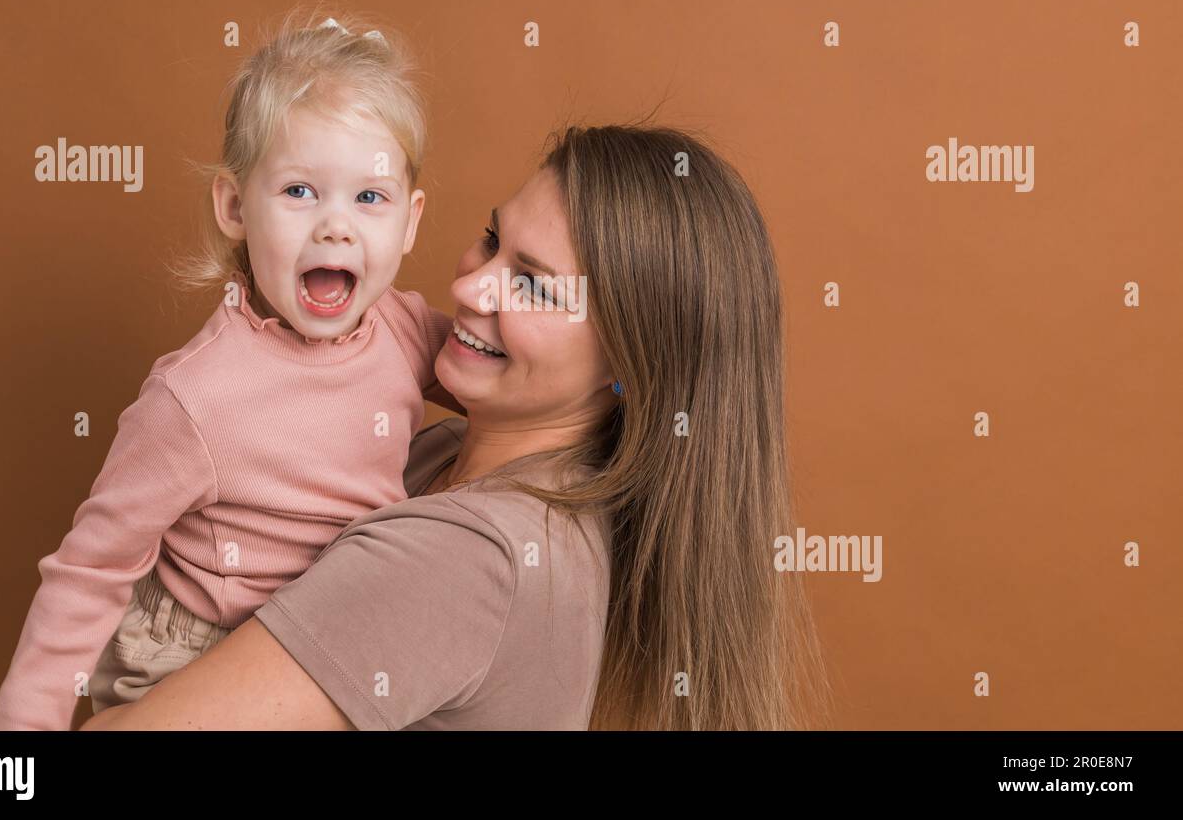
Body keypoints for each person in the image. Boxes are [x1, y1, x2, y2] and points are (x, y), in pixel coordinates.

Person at [84, 122, 830, 730]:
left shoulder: (470, 558)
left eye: (533, 285)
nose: (470, 286)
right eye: (490, 239)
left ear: (631, 368)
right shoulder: (479, 464)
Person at [0, 7, 459, 730]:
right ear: (235, 205)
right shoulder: (198, 396)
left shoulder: (401, 331)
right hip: (191, 653)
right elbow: (91, 569)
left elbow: (505, 371)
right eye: (300, 191)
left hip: (317, 639)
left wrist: (618, 383)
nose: (336, 225)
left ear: (409, 220)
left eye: (369, 198)